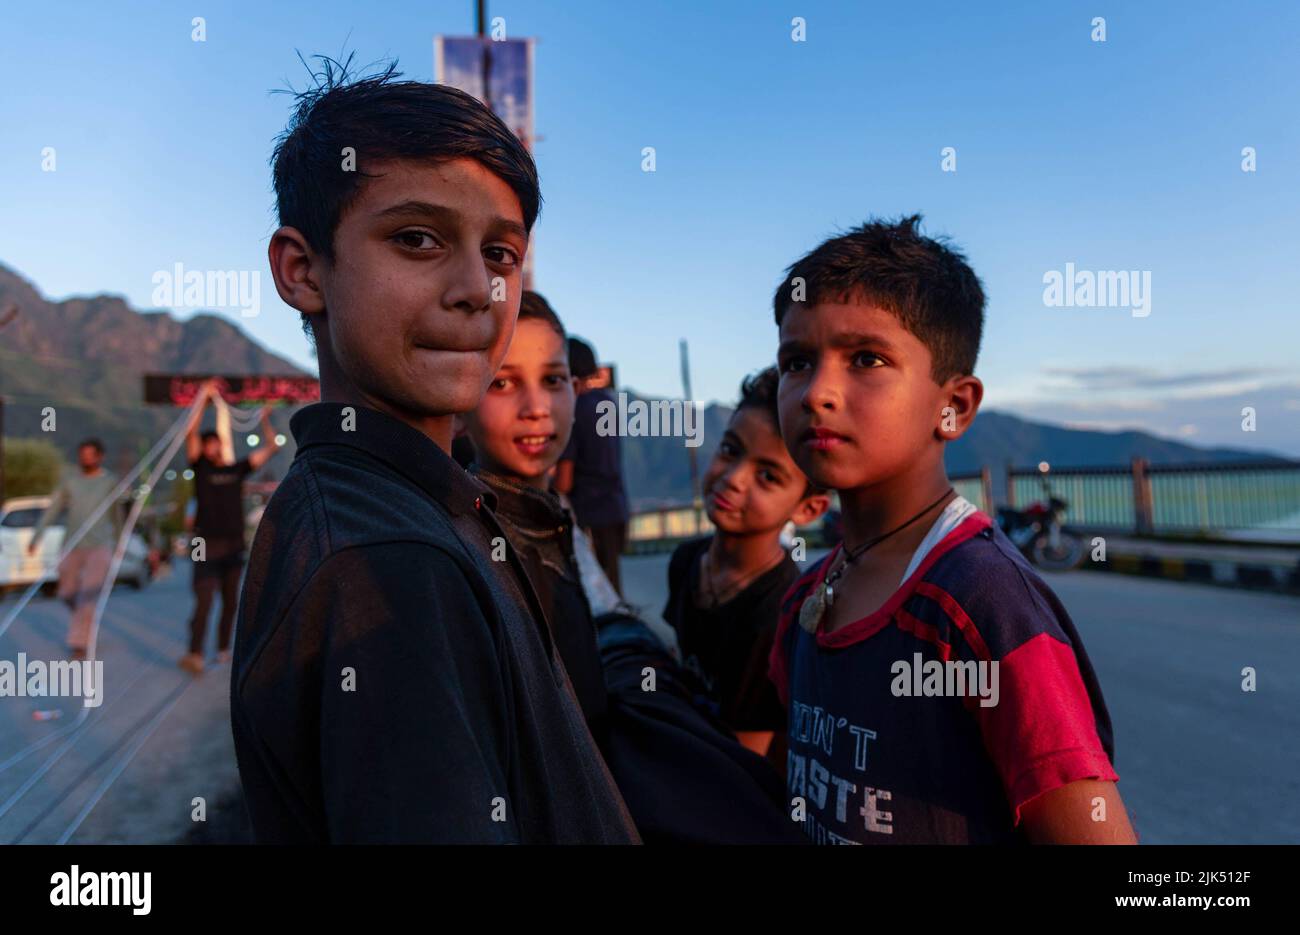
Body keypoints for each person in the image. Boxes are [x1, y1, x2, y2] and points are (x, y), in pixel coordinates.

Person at [234, 61, 637, 844]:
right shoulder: (387, 561)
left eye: (500, 255)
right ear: (302, 269)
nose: (473, 289)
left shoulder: (418, 504)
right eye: (416, 238)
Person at [768, 215, 1136, 844]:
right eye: (798, 361)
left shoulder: (983, 601)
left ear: (953, 406)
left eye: (866, 359)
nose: (816, 393)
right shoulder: (807, 597)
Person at [462, 291, 803, 843]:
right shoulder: (479, 539)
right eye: (502, 381)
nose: (536, 407)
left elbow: (746, 760)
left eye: (553, 380)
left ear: (575, 389)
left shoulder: (778, 605)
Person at [662, 367, 829, 756]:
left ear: (807, 508)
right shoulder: (687, 561)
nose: (734, 478)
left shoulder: (780, 614)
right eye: (730, 450)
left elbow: (748, 756)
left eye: (767, 476)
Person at [179, 379, 281, 675]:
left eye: (216, 443)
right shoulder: (200, 467)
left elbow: (272, 447)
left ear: (222, 446)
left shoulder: (237, 470)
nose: (212, 447)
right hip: (203, 544)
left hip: (234, 543)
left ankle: (223, 647)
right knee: (203, 599)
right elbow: (190, 433)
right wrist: (203, 400)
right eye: (208, 444)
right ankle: (195, 653)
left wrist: (265, 421)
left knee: (230, 601)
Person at [28, 438, 121, 660]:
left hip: (100, 547)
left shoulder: (110, 482)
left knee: (87, 597)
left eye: (90, 455)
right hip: (72, 544)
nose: (86, 459)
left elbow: (117, 516)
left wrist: (119, 543)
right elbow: (53, 509)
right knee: (66, 592)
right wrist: (37, 536)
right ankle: (85, 620)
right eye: (83, 455)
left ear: (100, 457)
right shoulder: (69, 481)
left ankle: (79, 643)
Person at [554, 336, 629, 594]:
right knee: (612, 590)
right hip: (616, 509)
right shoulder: (608, 402)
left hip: (589, 513)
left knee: (595, 594)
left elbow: (565, 481)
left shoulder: (574, 409)